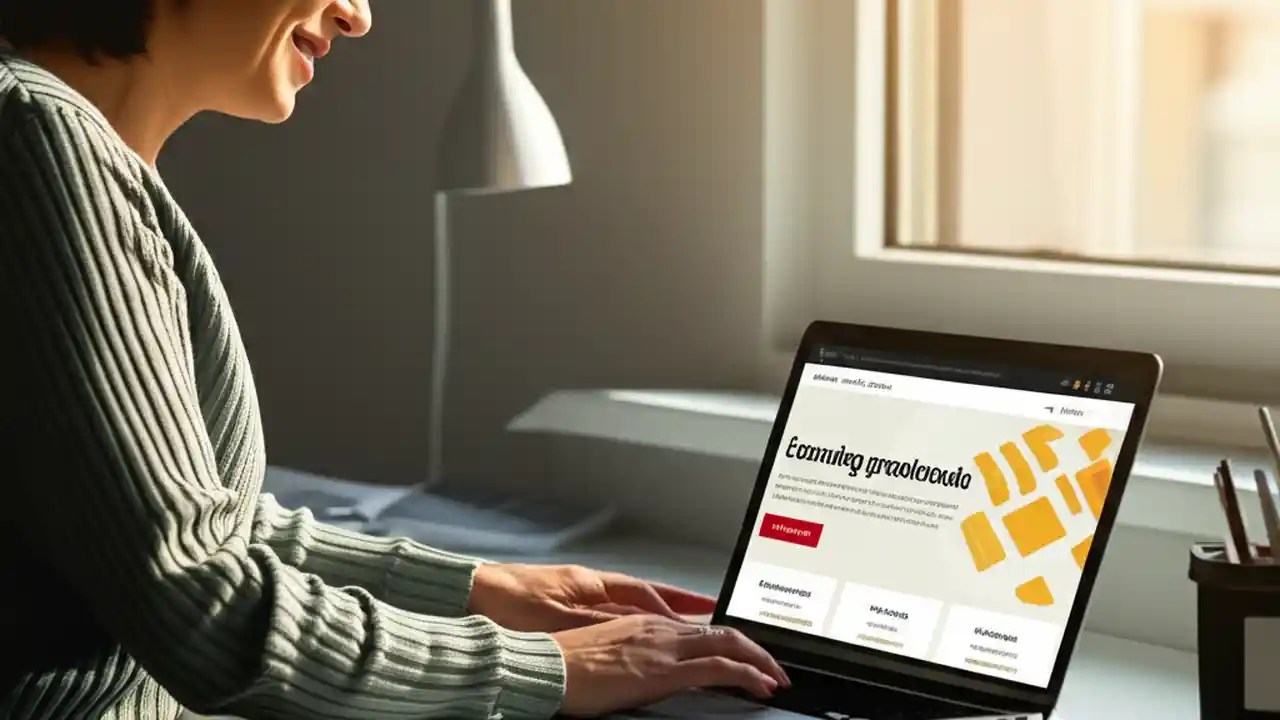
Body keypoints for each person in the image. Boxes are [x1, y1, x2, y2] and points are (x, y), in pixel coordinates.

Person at [0, 1, 790, 718]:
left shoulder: (57, 140)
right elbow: (204, 607)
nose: (357, 15)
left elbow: (170, 525)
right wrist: (542, 667)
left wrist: (478, 589)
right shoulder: (42, 141)